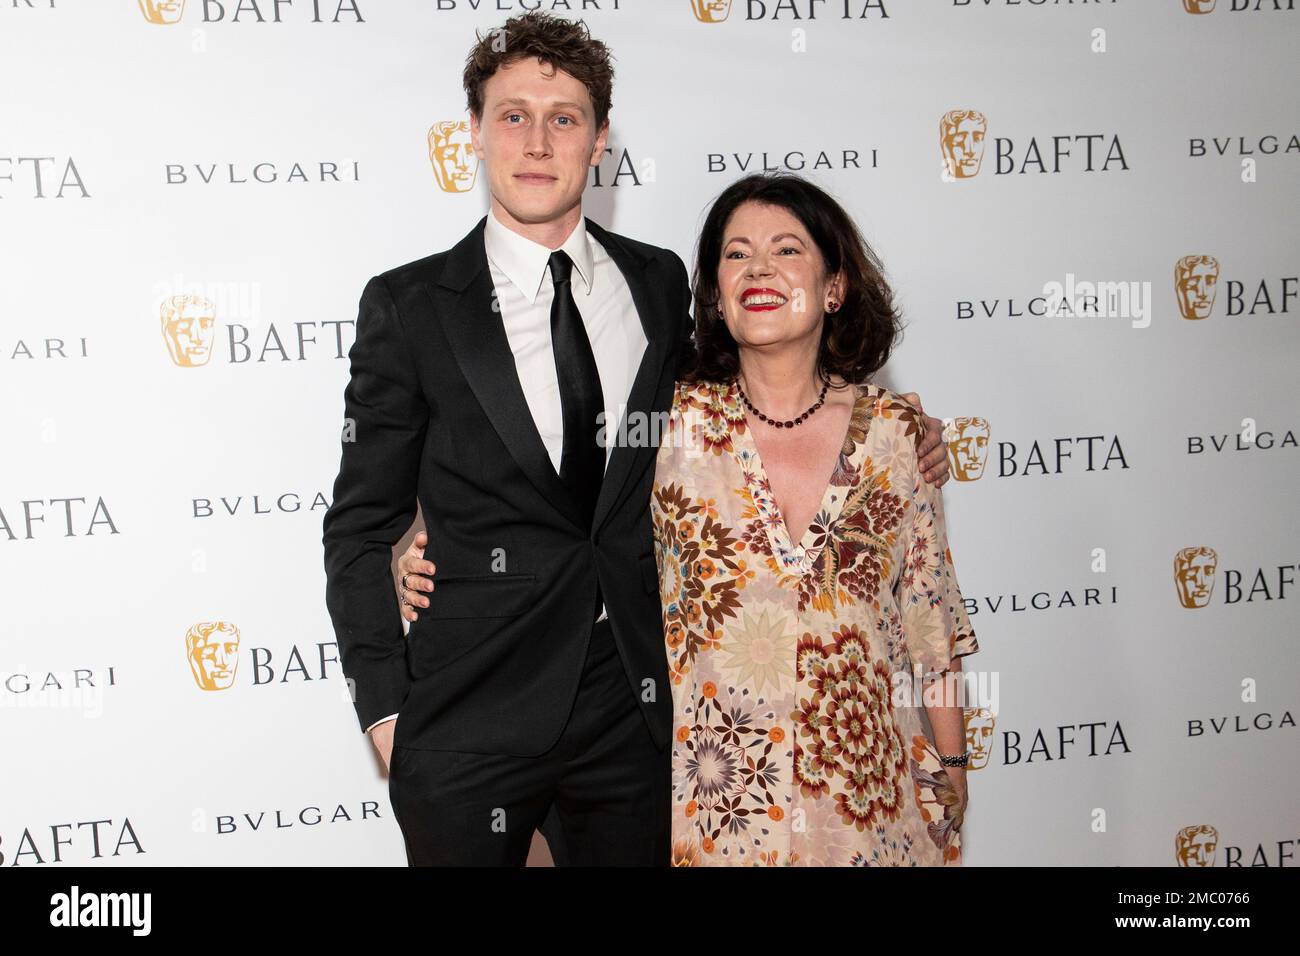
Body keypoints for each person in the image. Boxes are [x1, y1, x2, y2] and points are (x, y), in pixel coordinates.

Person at [328, 11, 950, 868]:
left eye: (565, 118)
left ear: (600, 138)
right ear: (472, 133)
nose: (538, 141)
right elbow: (359, 527)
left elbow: (752, 402)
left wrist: (899, 430)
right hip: (467, 716)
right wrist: (389, 717)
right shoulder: (409, 306)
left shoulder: (658, 281)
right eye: (513, 115)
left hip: (638, 713)